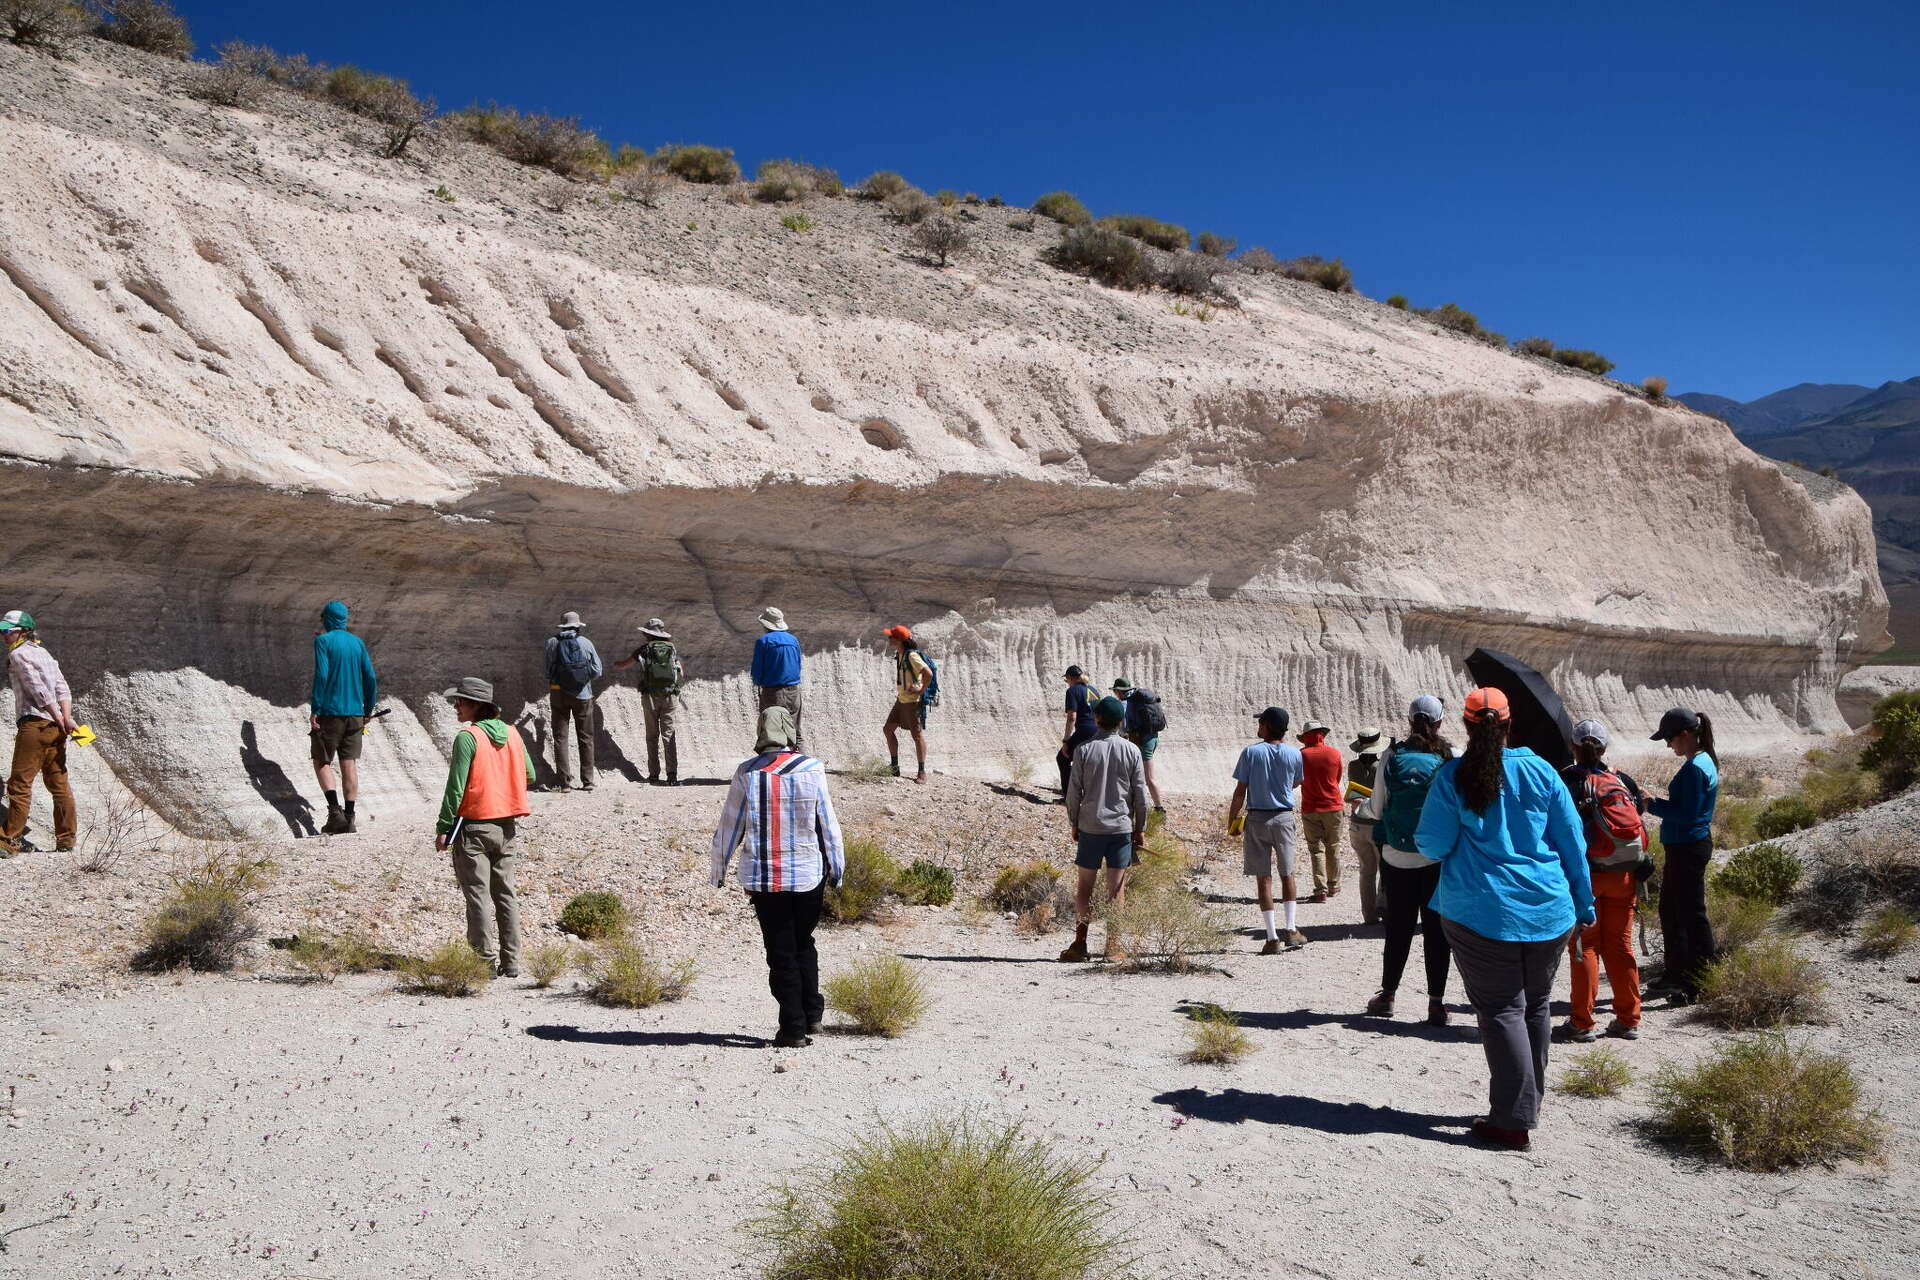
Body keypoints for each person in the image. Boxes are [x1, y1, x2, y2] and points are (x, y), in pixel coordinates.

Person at [1416, 687, 1594, 1151]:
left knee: (1501, 1011)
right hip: (1548, 909)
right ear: (1511, 724)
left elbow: (1430, 845)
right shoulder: (1542, 771)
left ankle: (1513, 1120)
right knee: (1534, 1007)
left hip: (1479, 912)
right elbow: (1572, 840)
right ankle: (1525, 1103)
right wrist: (1585, 901)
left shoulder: (1453, 776)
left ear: (1467, 725)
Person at [711, 706, 846, 1047]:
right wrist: (837, 868)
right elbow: (827, 823)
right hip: (807, 875)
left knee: (781, 951)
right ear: (789, 732)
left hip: (765, 879)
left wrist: (719, 871)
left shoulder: (747, 772)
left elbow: (731, 825)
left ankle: (792, 1028)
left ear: (761, 733)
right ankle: (812, 1014)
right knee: (803, 943)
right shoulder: (812, 768)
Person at [1357, 696, 1455, 1023]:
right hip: (1434, 858)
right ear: (1440, 723)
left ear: (1409, 720)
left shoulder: (1392, 755)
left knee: (1398, 929)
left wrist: (1363, 809)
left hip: (1395, 856)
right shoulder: (1448, 758)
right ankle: (1436, 1004)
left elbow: (1377, 808)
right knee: (1435, 931)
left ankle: (1387, 996)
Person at [434, 676, 535, 979]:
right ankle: (512, 962)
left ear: (476, 706)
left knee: (477, 896)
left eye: (460, 701)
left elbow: (456, 787)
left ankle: (483, 963)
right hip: (507, 827)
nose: (456, 707)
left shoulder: (468, 737)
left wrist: (443, 826)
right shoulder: (514, 734)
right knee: (506, 895)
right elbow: (528, 775)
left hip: (474, 828)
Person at [1556, 719, 1646, 1042]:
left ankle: (1581, 1022)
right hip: (1624, 875)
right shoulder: (1622, 780)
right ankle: (1628, 1018)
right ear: (1604, 749)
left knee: (1585, 946)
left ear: (1573, 747)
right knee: (1620, 947)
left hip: (1587, 877)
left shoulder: (1566, 780)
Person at [1059, 696, 1149, 963]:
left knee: (1085, 886)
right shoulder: (1132, 751)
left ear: (1097, 719)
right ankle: (1113, 946)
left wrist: (1074, 822)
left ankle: (1080, 942)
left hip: (1090, 826)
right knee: (1116, 889)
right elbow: (1140, 794)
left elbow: (1073, 792)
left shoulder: (1084, 749)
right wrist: (1140, 827)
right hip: (1120, 828)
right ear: (1120, 721)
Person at [1645, 706, 1721, 1005]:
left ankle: (1697, 983)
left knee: (1691, 916)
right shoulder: (1702, 761)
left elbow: (1687, 814)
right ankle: (1677, 975)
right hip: (1687, 845)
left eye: (1670, 738)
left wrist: (1652, 805)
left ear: (1686, 735)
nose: (1668, 744)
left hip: (1688, 847)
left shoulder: (1695, 768)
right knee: (1673, 911)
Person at [1227, 707, 1308, 954]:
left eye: (1261, 722)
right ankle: (1292, 929)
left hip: (1257, 819)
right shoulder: (1294, 754)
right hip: (1283, 817)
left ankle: (1272, 937)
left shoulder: (1251, 752)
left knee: (1264, 878)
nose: (1258, 726)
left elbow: (1240, 790)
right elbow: (1295, 781)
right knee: (1288, 873)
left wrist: (1232, 820)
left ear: (1268, 726)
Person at [0, 611, 77, 855]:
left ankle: (7, 841)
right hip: (56, 727)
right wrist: (66, 718)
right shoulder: (42, 652)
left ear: (23, 630)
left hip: (34, 724)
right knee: (58, 783)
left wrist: (56, 716)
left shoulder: (18, 653)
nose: (3, 635)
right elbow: (62, 687)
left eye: (7, 630)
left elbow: (38, 689)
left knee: (19, 784)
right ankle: (66, 839)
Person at [309, 600, 378, 834]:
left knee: (321, 760)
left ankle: (334, 812)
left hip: (330, 711)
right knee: (349, 763)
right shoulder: (357, 643)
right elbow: (370, 678)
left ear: (327, 619)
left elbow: (322, 675)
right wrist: (367, 709)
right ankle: (349, 817)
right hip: (356, 713)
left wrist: (316, 708)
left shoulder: (323, 641)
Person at [614, 618, 683, 785]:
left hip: (650, 697)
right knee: (669, 735)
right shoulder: (671, 648)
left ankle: (654, 775)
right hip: (670, 696)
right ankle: (672, 776)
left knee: (652, 736)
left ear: (648, 634)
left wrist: (615, 663)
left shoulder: (644, 649)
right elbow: (681, 671)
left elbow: (624, 665)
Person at [543, 611, 603, 791]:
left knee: (561, 737)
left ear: (562, 625)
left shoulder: (552, 643)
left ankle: (564, 782)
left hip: (558, 694)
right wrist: (581, 679)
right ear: (578, 626)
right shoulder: (586, 643)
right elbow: (598, 670)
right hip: (583, 695)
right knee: (586, 737)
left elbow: (547, 672)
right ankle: (588, 781)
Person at [1297, 719, 1344, 902]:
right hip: (1333, 806)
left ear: (1305, 738)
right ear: (1322, 735)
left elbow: (1297, 779)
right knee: (1333, 846)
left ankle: (1320, 891)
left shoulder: (1301, 755)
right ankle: (1334, 886)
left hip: (1310, 807)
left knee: (1315, 849)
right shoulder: (1334, 753)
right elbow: (1337, 778)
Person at [880, 626, 933, 783]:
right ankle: (895, 768)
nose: (888, 639)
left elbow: (928, 673)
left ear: (899, 640)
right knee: (888, 729)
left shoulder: (912, 656)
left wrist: (921, 690)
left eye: (891, 637)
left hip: (912, 702)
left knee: (916, 736)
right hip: (901, 700)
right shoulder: (900, 654)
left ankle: (922, 772)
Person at [1346, 728, 1386, 926]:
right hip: (1377, 824)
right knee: (1385, 869)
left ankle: (1369, 915)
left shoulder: (1353, 766)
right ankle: (1383, 906)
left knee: (1366, 871)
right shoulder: (1382, 768)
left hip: (1357, 823)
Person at [751, 607, 804, 753]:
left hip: (773, 693)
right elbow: (798, 665)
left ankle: (773, 768)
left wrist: (758, 681)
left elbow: (757, 671)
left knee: (772, 733)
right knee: (795, 730)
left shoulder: (763, 641)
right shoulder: (793, 640)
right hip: (794, 691)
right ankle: (799, 764)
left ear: (766, 625)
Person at [1110, 678, 1167, 814]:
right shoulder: (1138, 698)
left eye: (1115, 691)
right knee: (1135, 774)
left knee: (1149, 778)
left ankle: (1159, 809)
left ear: (1118, 691)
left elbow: (1123, 728)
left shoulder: (1126, 703)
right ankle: (1132, 804)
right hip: (1152, 738)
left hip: (1142, 741)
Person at [1055, 665, 1098, 797]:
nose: (1067, 683)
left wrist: (1066, 740)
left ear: (1070, 678)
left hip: (1084, 730)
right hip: (1098, 730)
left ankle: (1068, 796)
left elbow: (1072, 717)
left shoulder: (1072, 691)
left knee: (1062, 758)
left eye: (1066, 680)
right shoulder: (1093, 690)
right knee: (1087, 762)